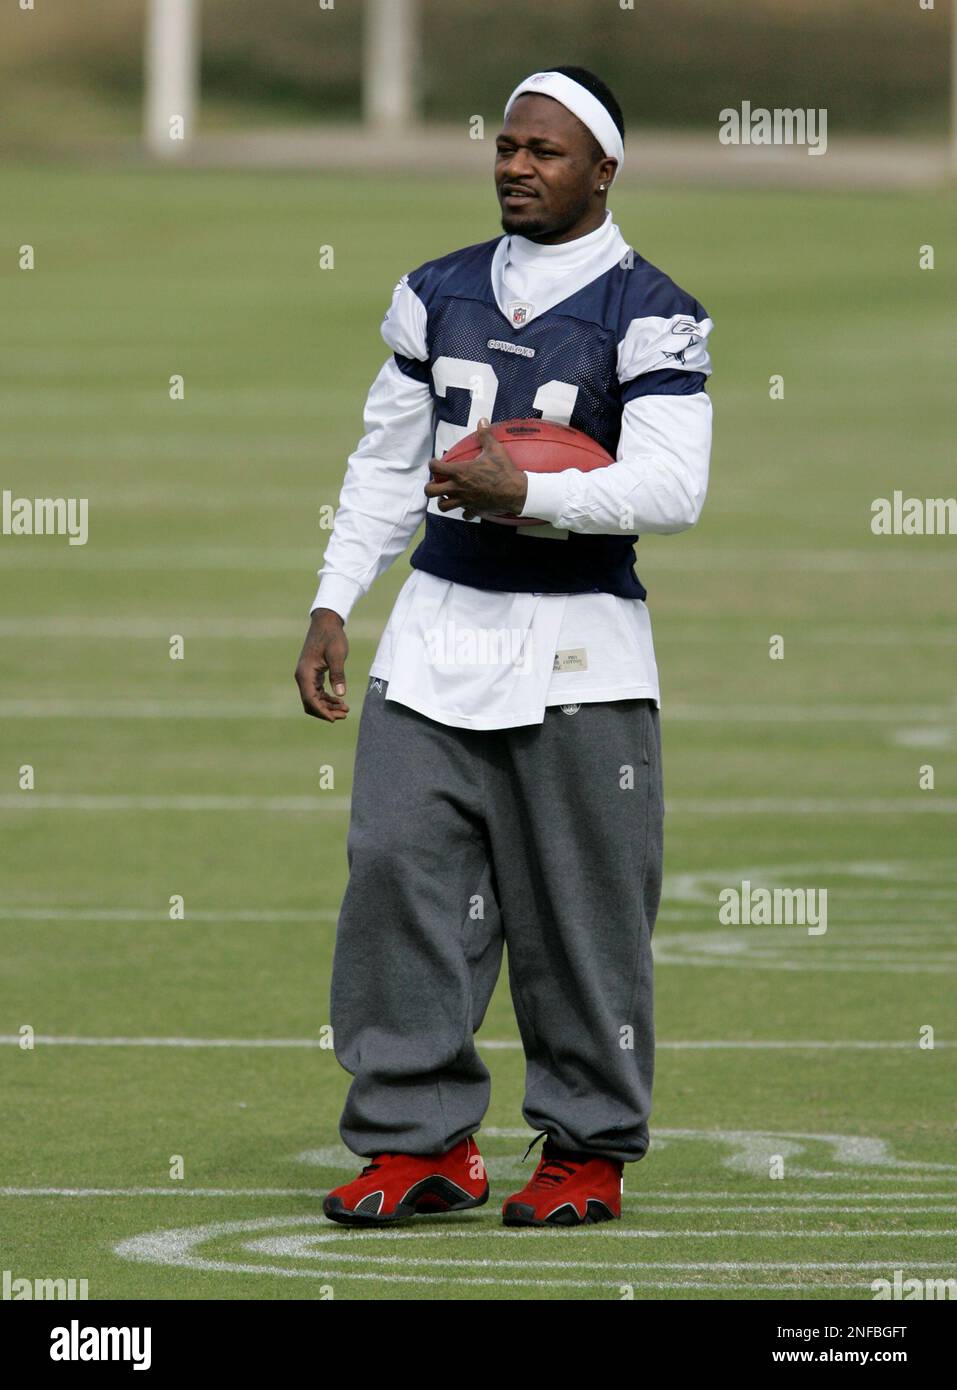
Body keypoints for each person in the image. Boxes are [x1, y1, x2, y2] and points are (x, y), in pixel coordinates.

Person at [294, 66, 714, 1228]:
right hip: (433, 640)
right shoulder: (435, 291)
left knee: (582, 917)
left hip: (583, 654)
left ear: (605, 171)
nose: (516, 166)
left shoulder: (655, 307)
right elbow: (385, 462)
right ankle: (420, 1143)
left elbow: (675, 486)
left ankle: (585, 1151)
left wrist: (522, 489)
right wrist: (336, 600)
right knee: (396, 888)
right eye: (506, 146)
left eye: (546, 151)